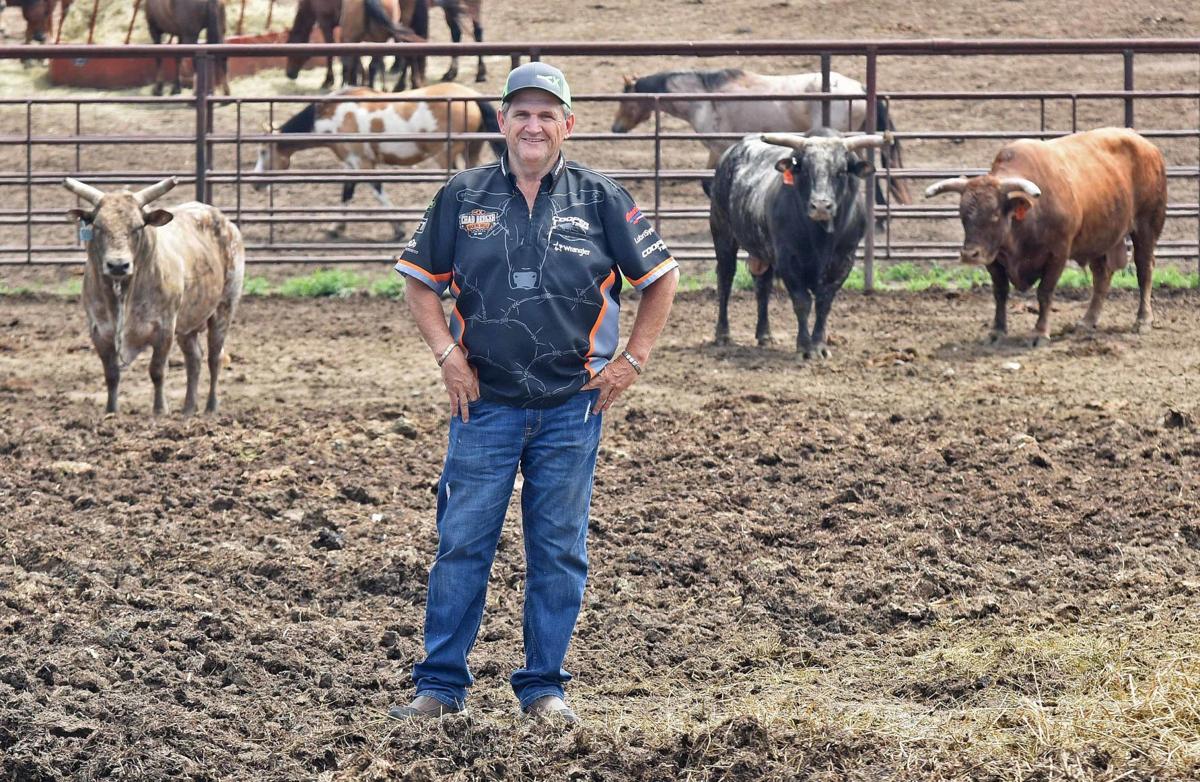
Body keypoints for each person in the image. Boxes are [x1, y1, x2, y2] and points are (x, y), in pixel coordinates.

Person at [388, 61, 678, 724]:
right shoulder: (461, 195)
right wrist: (446, 355)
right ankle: (439, 688)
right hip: (482, 403)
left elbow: (661, 279)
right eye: (521, 112)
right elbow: (418, 281)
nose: (534, 124)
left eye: (547, 113)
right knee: (463, 541)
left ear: (567, 125)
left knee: (558, 547)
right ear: (502, 121)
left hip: (572, 406)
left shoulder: (603, 198)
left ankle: (544, 687)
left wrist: (633, 358)